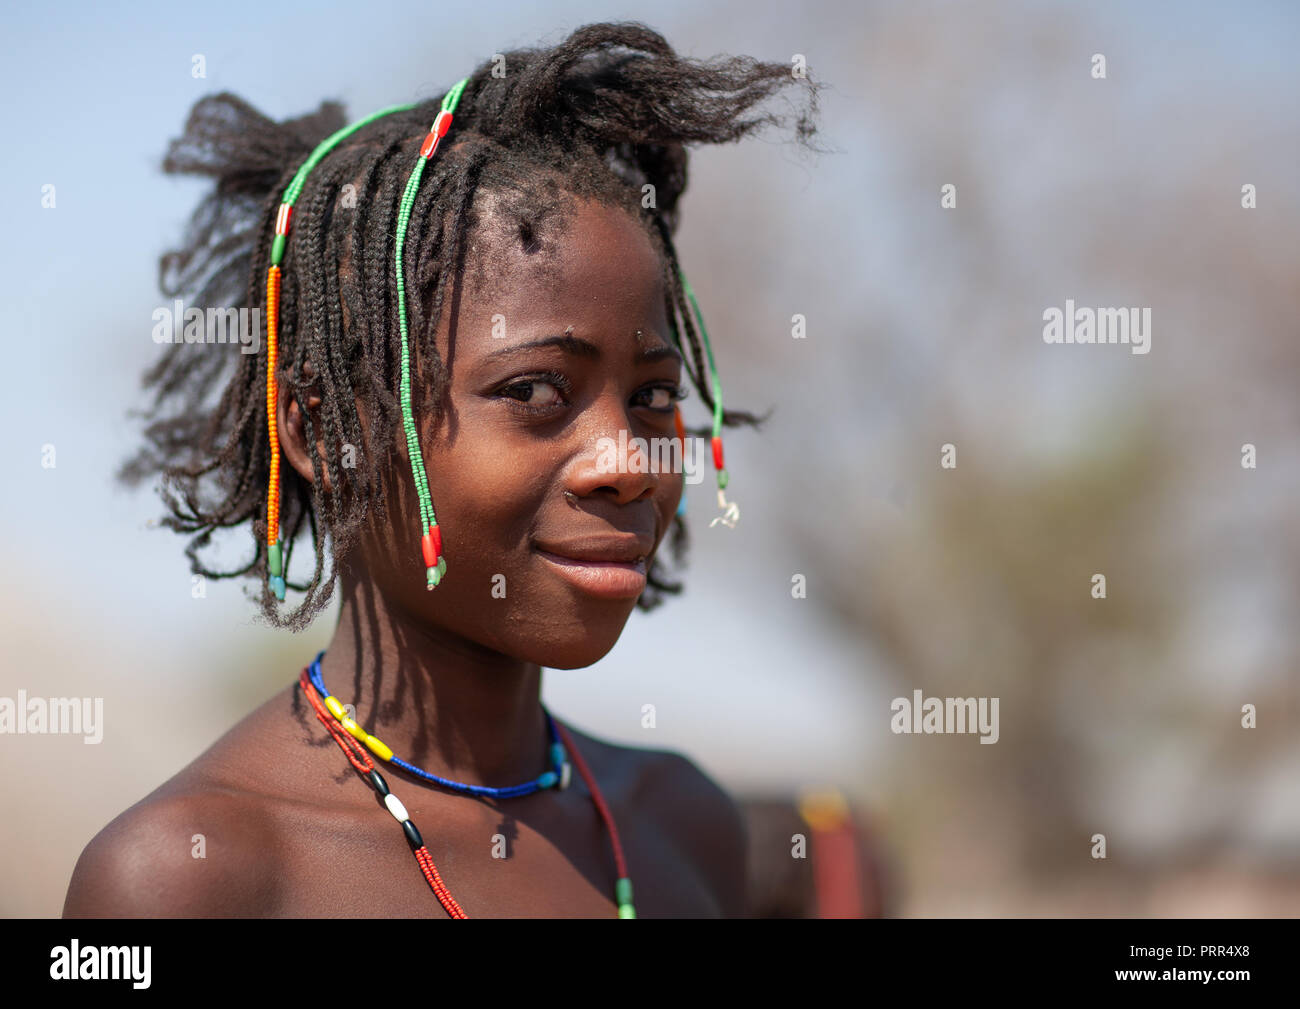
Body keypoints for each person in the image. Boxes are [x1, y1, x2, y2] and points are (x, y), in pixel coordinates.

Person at [63, 21, 820, 918]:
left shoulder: (683, 825)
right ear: (324, 433)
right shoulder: (190, 877)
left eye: (653, 396)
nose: (627, 460)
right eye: (537, 389)